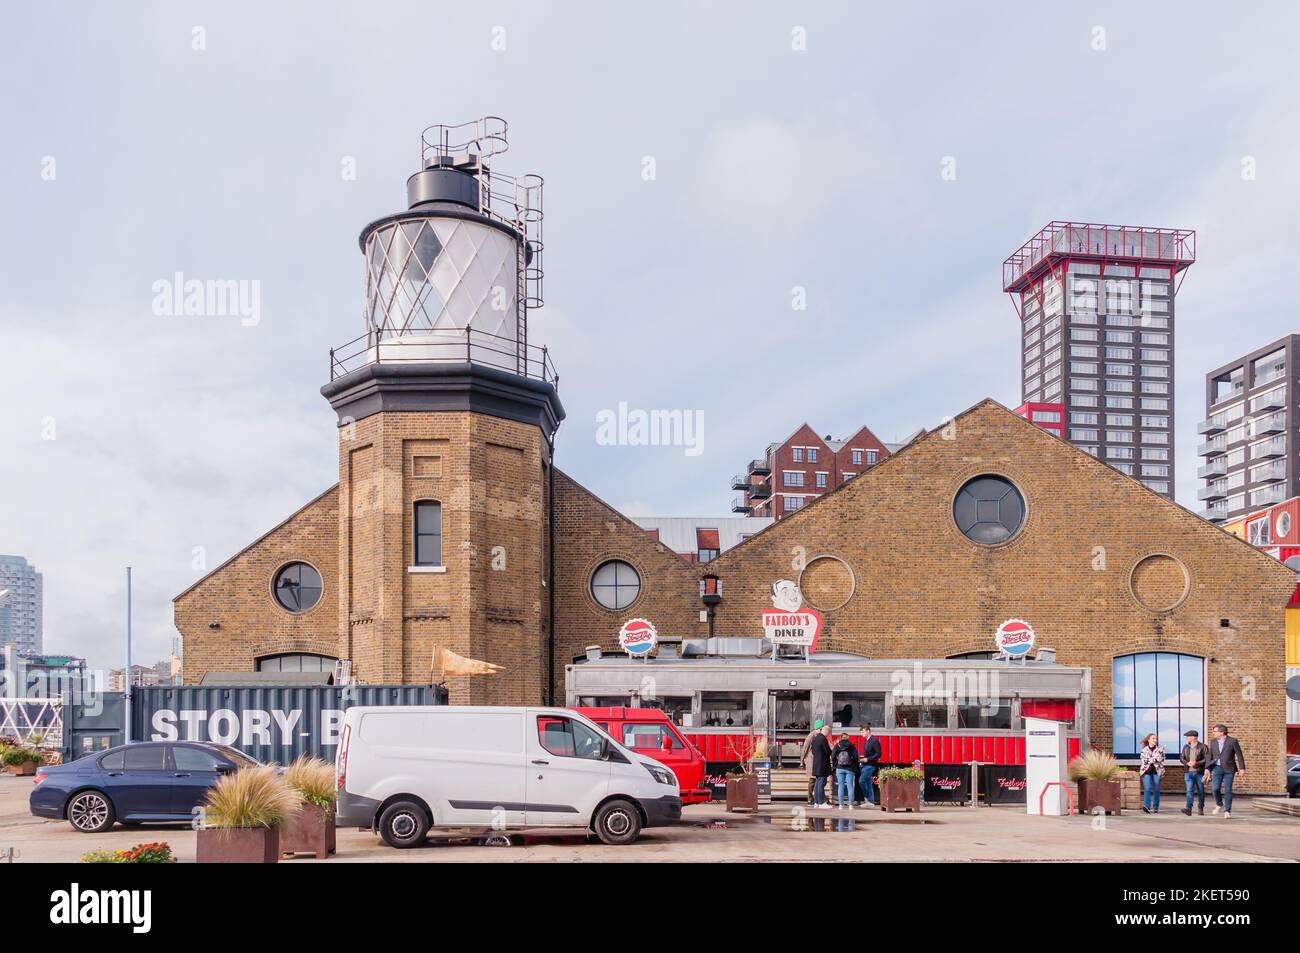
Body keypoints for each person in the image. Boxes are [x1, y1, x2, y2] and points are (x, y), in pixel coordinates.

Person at [1208, 724, 1246, 818]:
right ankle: (1219, 803)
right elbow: (1210, 756)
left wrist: (1242, 768)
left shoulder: (1232, 741)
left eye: (1215, 731)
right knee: (1215, 789)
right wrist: (1207, 768)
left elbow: (1239, 755)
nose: (1213, 733)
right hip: (1217, 768)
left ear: (1222, 732)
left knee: (1228, 790)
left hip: (1229, 769)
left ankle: (1227, 810)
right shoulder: (1213, 742)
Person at [1179, 729, 1209, 816]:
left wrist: (1197, 763)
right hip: (1188, 772)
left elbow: (1207, 759)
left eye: (1188, 736)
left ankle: (1200, 808)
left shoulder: (1203, 747)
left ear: (1193, 737)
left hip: (1199, 772)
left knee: (1201, 791)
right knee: (1189, 790)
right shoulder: (1186, 747)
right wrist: (1187, 763)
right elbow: (1182, 758)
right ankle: (1188, 808)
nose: (1187, 738)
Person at [1138, 732, 1165, 814]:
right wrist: (1155, 758)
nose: (1155, 740)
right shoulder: (1144, 750)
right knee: (1147, 789)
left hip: (1156, 772)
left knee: (1156, 789)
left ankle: (1156, 807)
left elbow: (1161, 760)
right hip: (1146, 772)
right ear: (1149, 740)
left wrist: (1159, 753)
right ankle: (1146, 806)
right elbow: (1144, 761)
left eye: (1156, 739)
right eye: (1153, 738)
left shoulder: (1159, 749)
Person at [800, 719, 826, 804]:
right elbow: (805, 748)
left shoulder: (818, 736)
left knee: (817, 780)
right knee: (812, 780)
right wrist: (802, 760)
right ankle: (810, 798)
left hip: (816, 760)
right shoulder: (811, 736)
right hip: (811, 760)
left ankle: (818, 798)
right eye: (822, 728)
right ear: (819, 728)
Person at [831, 732, 860, 809]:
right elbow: (856, 757)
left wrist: (835, 764)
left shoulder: (837, 745)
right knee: (850, 786)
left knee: (841, 786)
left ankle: (841, 805)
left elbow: (833, 756)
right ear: (848, 738)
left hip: (839, 768)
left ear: (841, 738)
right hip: (850, 768)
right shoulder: (852, 746)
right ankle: (850, 805)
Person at [808, 724, 834, 809]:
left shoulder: (815, 739)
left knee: (818, 783)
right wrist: (831, 748)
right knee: (821, 783)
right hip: (822, 764)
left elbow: (812, 752)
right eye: (829, 732)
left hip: (816, 764)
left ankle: (816, 802)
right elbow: (828, 752)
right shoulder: (823, 739)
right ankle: (822, 802)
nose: (829, 733)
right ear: (826, 731)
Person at [858, 724, 882, 806]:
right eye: (861, 732)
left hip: (870, 765)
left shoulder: (874, 741)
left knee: (861, 781)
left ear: (868, 731)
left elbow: (879, 754)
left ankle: (867, 798)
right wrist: (863, 757)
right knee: (868, 782)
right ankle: (870, 801)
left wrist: (868, 759)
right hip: (865, 764)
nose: (862, 734)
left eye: (863, 732)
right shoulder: (866, 741)